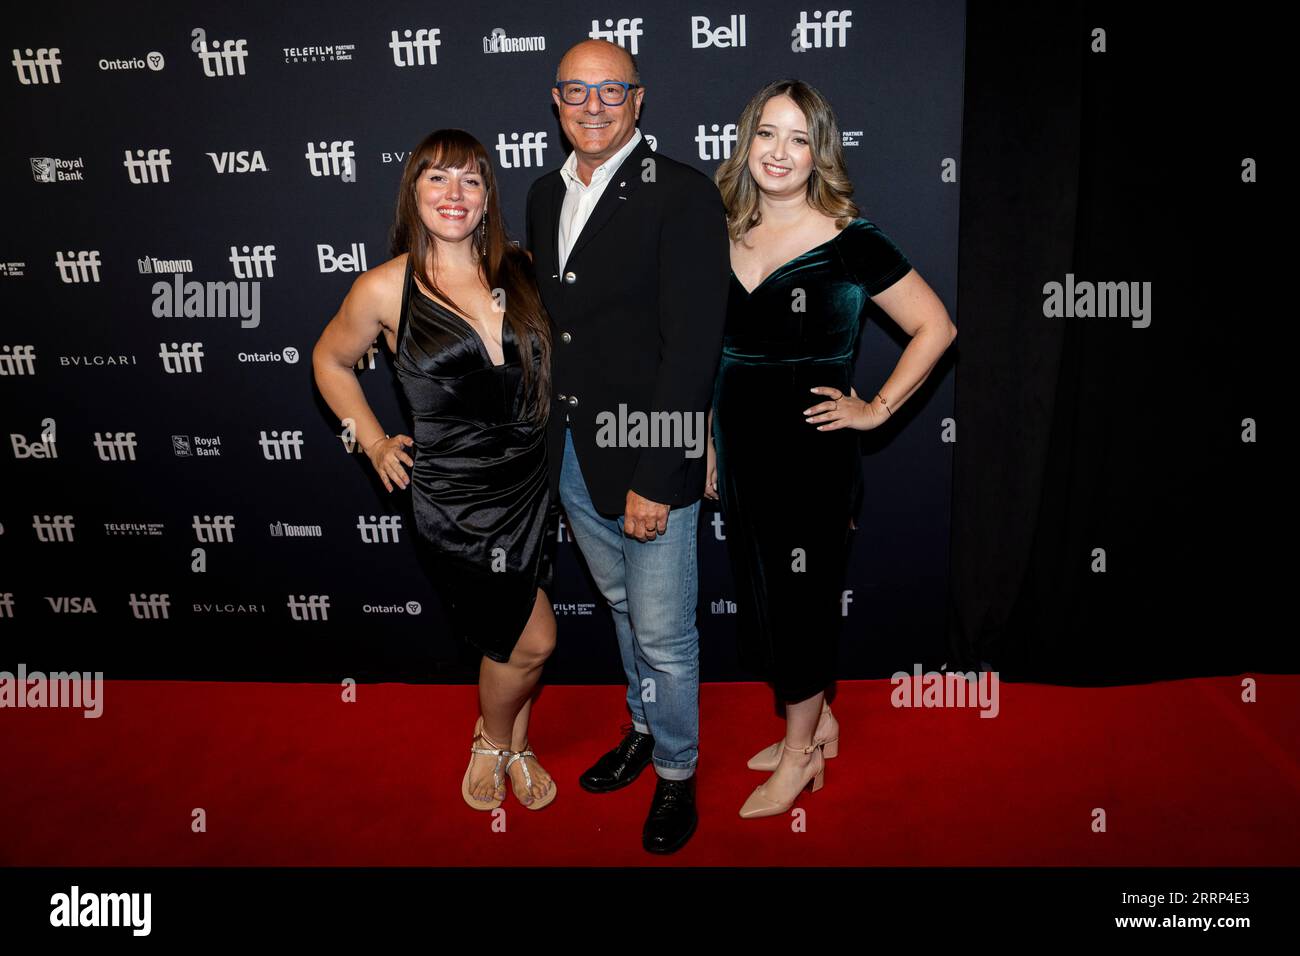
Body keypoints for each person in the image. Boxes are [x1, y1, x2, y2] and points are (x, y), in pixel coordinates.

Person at [705, 80, 957, 818]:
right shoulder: (725, 230)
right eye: (767, 134)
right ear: (747, 141)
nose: (779, 153)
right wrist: (713, 445)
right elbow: (714, 356)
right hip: (741, 448)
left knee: (801, 604)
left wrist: (876, 409)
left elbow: (935, 327)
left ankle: (799, 753)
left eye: (798, 139)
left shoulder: (852, 238)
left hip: (811, 457)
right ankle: (822, 721)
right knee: (764, 599)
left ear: (820, 153)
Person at [312, 129, 559, 812]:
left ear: (488, 198)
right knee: (533, 639)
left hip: (532, 486)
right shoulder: (384, 289)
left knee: (511, 639)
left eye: (471, 181)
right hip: (454, 500)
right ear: (412, 192)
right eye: (438, 179)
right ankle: (494, 741)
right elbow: (329, 361)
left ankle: (512, 741)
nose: (455, 195)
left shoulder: (524, 268)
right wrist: (370, 439)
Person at [525, 39, 730, 852]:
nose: (594, 104)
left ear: (639, 100)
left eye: (612, 90)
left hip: (649, 457)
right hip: (571, 453)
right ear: (555, 101)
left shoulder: (679, 193)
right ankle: (643, 728)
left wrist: (659, 471)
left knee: (664, 631)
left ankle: (677, 774)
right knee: (619, 607)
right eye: (577, 90)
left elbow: (692, 348)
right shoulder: (544, 194)